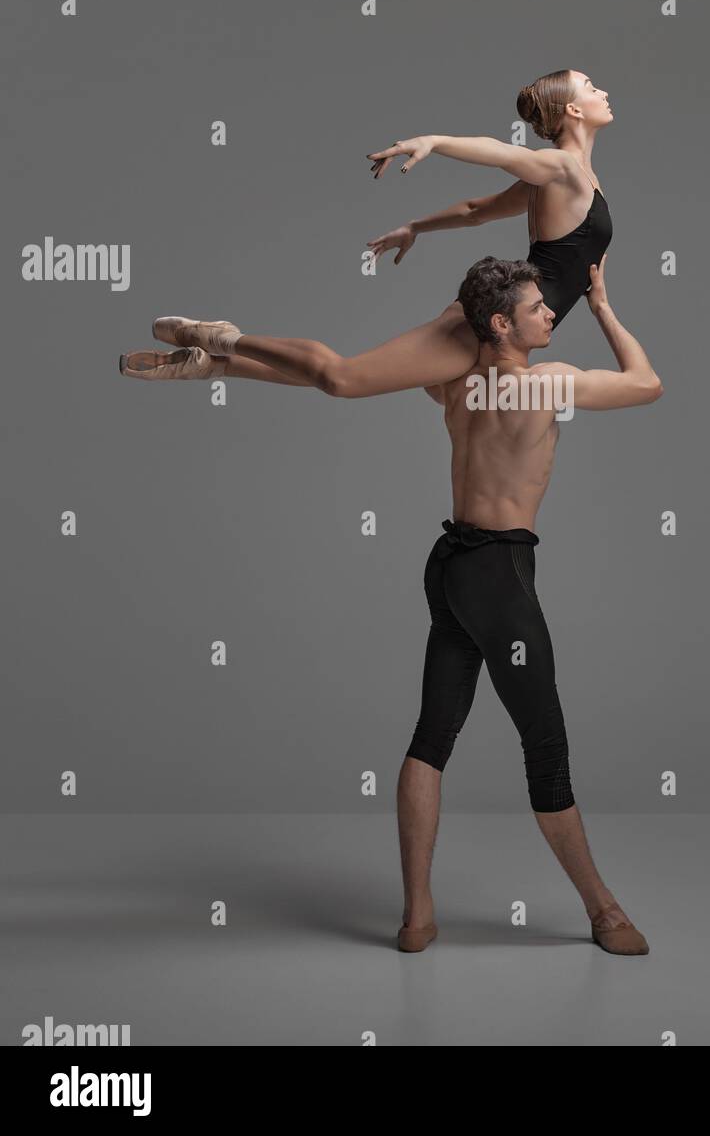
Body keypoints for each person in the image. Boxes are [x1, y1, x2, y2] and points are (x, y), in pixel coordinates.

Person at [396, 252, 662, 955]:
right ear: (501, 324)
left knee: (432, 736)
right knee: (545, 749)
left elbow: (438, 344)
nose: (553, 312)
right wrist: (604, 306)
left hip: (449, 566)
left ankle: (418, 916)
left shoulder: (453, 382)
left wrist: (461, 313)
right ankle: (604, 913)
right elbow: (648, 383)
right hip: (499, 577)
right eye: (539, 306)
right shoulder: (547, 385)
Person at [118, 70, 614, 391]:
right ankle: (225, 338)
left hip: (508, 328)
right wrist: (434, 141)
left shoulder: (568, 179)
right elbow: (503, 153)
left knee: (353, 375)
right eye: (591, 88)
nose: (603, 92)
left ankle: (208, 363)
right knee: (343, 377)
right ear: (572, 110)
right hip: (493, 326)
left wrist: (415, 226)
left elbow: (474, 210)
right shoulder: (560, 168)